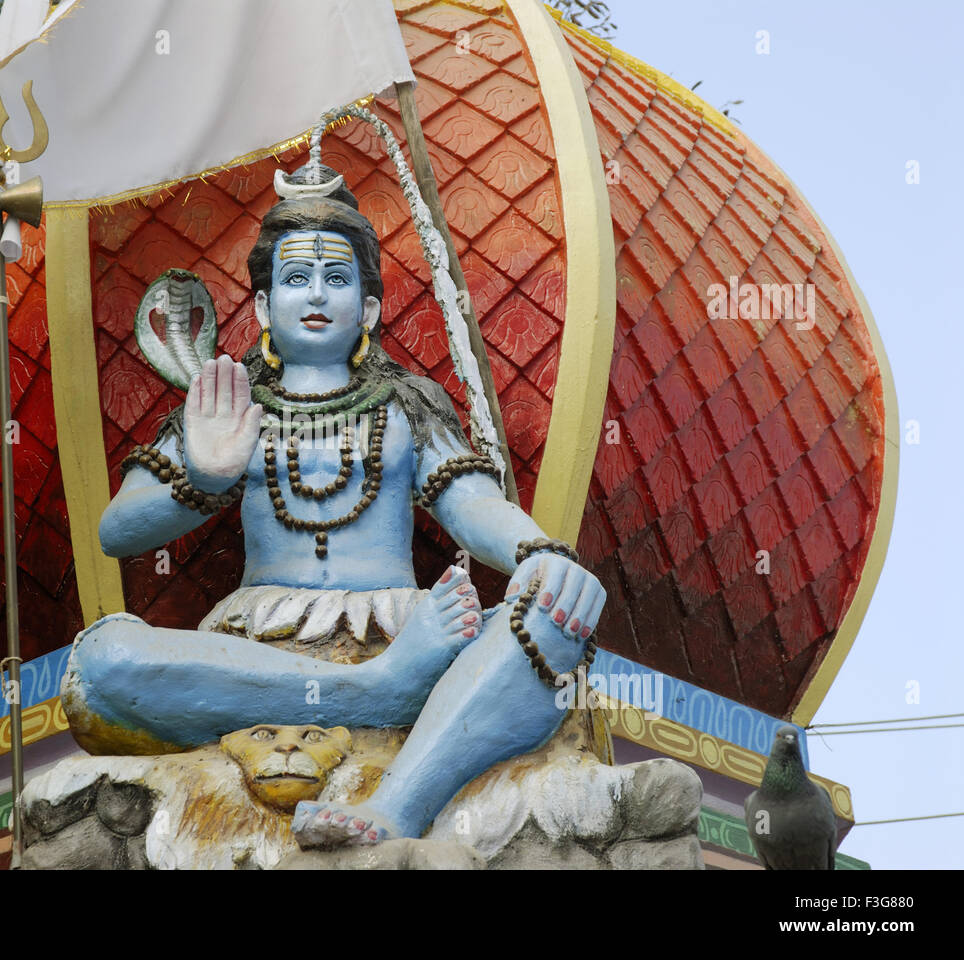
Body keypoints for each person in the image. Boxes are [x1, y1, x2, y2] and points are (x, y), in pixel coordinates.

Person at [62, 169, 606, 847]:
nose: (316, 294)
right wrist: (200, 477)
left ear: (370, 307)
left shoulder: (407, 403)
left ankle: (399, 804)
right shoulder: (230, 407)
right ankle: (380, 692)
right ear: (261, 307)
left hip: (403, 625)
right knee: (102, 658)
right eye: (295, 279)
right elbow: (117, 531)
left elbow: (471, 503)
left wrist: (538, 555)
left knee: (553, 621)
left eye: (336, 278)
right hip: (257, 652)